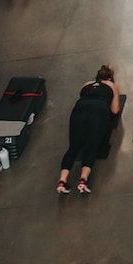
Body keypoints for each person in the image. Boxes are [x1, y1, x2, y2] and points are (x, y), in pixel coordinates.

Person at [56, 65, 120, 194]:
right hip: (98, 110)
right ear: (110, 77)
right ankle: (83, 180)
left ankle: (62, 181)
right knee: (91, 146)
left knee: (73, 147)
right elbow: (115, 110)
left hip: (79, 110)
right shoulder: (112, 85)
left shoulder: (86, 84)